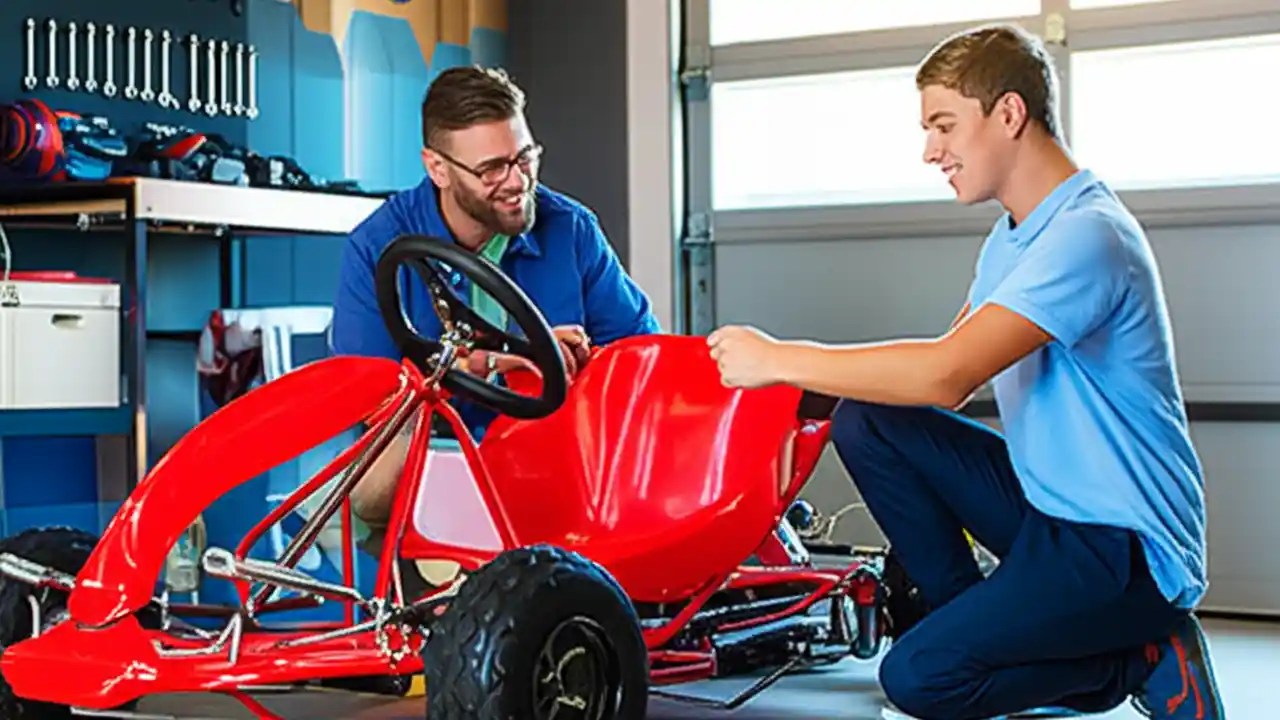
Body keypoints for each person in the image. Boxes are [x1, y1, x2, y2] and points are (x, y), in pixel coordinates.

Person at [707, 23, 1224, 720]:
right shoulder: (1016, 232)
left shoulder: (1086, 236)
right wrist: (791, 407)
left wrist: (776, 356)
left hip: (1123, 549)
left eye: (944, 125)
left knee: (918, 680)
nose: (930, 150)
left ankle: (1139, 657)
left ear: (1008, 114)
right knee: (869, 421)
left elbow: (946, 375)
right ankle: (980, 628)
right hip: (1052, 510)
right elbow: (937, 364)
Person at [329, 65, 659, 587]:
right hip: (435, 468)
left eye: (525, 157)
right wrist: (493, 363)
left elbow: (644, 359)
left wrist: (585, 362)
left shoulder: (571, 229)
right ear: (438, 168)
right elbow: (370, 404)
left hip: (560, 466)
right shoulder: (375, 247)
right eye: (493, 169)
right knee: (372, 477)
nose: (517, 181)